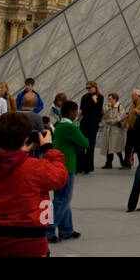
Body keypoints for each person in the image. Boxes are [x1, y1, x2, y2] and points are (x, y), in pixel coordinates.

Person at [0, 112, 68, 257]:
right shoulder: (35, 168)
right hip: (29, 240)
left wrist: (17, 155)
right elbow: (59, 176)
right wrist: (48, 149)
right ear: (25, 138)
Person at [49, 100, 89, 242]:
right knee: (64, 198)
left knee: (60, 197)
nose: (77, 113)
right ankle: (49, 229)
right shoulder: (71, 127)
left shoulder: (59, 125)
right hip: (67, 165)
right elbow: (85, 143)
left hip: (57, 165)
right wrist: (74, 149)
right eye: (76, 110)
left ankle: (66, 229)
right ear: (70, 112)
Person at [78, 81, 103, 175]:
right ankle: (80, 166)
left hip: (93, 122)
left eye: (89, 88)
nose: (88, 90)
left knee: (90, 144)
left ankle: (88, 167)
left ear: (95, 87)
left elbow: (98, 110)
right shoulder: (84, 97)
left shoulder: (100, 97)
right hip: (84, 121)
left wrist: (95, 101)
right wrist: (77, 116)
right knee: (81, 142)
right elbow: (81, 109)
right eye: (87, 88)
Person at [102, 92, 125, 168]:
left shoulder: (119, 107)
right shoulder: (108, 107)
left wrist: (112, 121)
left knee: (116, 147)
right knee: (109, 147)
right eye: (108, 99)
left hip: (116, 130)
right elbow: (104, 116)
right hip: (109, 130)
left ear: (115, 99)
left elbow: (121, 117)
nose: (109, 100)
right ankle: (108, 163)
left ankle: (122, 162)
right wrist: (108, 108)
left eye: (110, 99)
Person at [122, 89, 140, 168]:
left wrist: (137, 111)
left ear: (139, 96)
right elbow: (130, 115)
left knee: (138, 147)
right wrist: (127, 122)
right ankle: (126, 163)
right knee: (128, 146)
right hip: (131, 129)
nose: (132, 97)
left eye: (134, 95)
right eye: (132, 95)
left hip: (138, 130)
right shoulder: (132, 105)